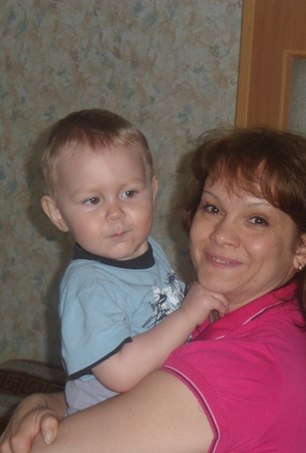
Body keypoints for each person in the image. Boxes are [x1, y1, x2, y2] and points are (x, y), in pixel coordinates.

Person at [0, 127, 306, 452]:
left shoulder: (247, 366)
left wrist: (39, 428)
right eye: (213, 208)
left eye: (257, 219)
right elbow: (125, 399)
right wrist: (39, 405)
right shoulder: (231, 314)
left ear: (303, 248)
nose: (222, 235)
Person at [39, 109, 228, 414]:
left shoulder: (148, 248)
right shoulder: (89, 285)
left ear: (152, 192)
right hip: (106, 427)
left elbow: (162, 305)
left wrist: (198, 302)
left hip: (153, 409)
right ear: (58, 214)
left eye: (128, 193)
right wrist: (189, 314)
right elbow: (121, 373)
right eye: (93, 200)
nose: (115, 213)